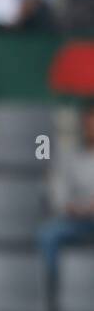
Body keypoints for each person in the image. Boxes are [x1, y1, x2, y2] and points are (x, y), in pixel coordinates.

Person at [38, 104, 94, 294]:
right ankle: (55, 294)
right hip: (76, 221)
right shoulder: (69, 158)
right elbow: (59, 198)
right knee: (48, 234)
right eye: (89, 121)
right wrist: (78, 209)